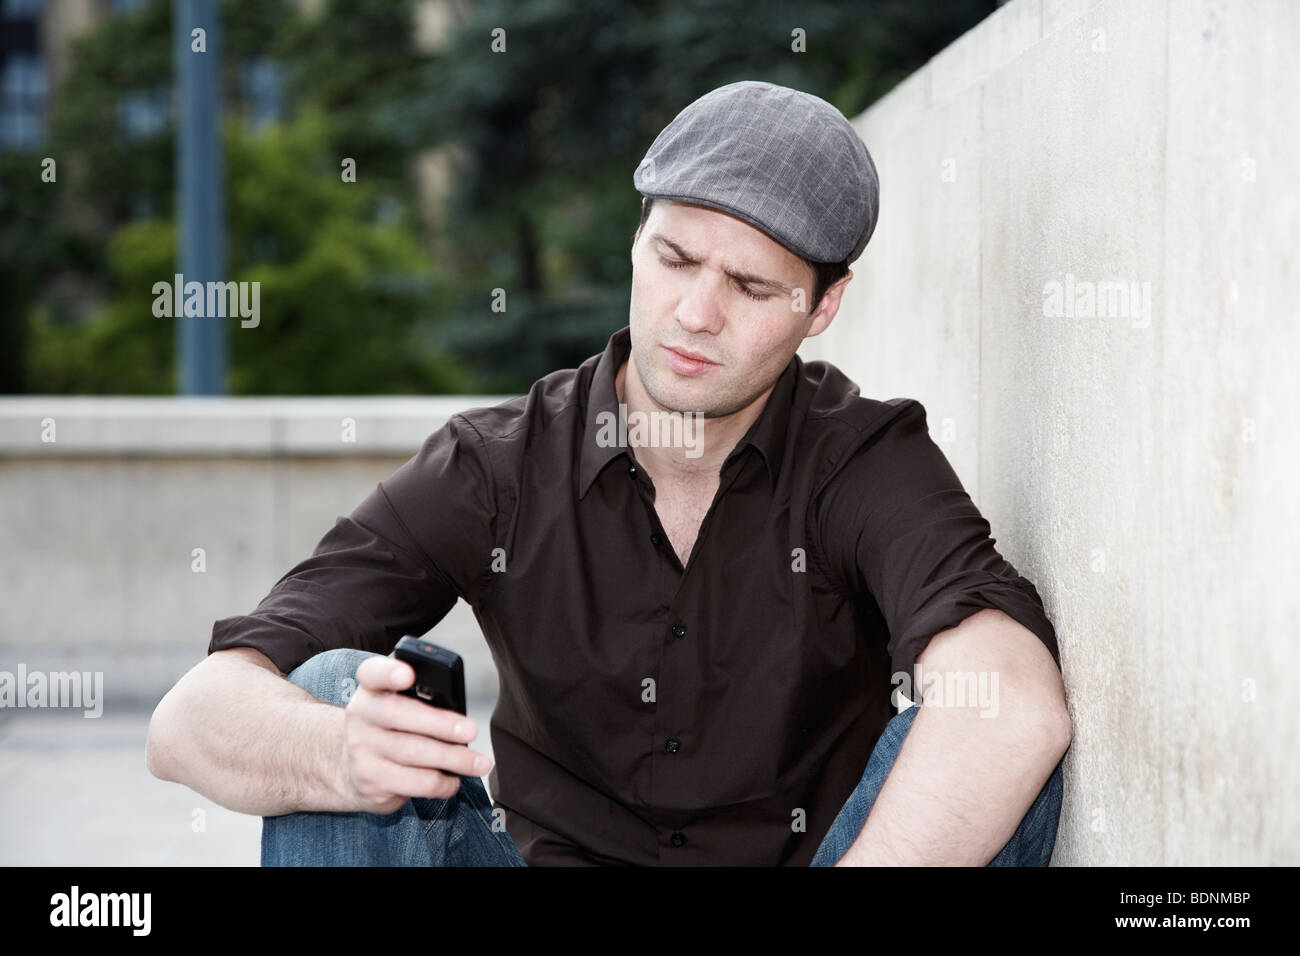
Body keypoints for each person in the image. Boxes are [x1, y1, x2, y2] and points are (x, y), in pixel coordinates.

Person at [147, 80, 1071, 866]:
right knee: (325, 698)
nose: (697, 314)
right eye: (674, 259)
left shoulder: (862, 459)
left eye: (751, 287)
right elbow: (189, 722)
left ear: (823, 305)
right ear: (635, 245)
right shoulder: (495, 465)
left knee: (982, 747)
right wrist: (339, 758)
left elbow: (1014, 705)